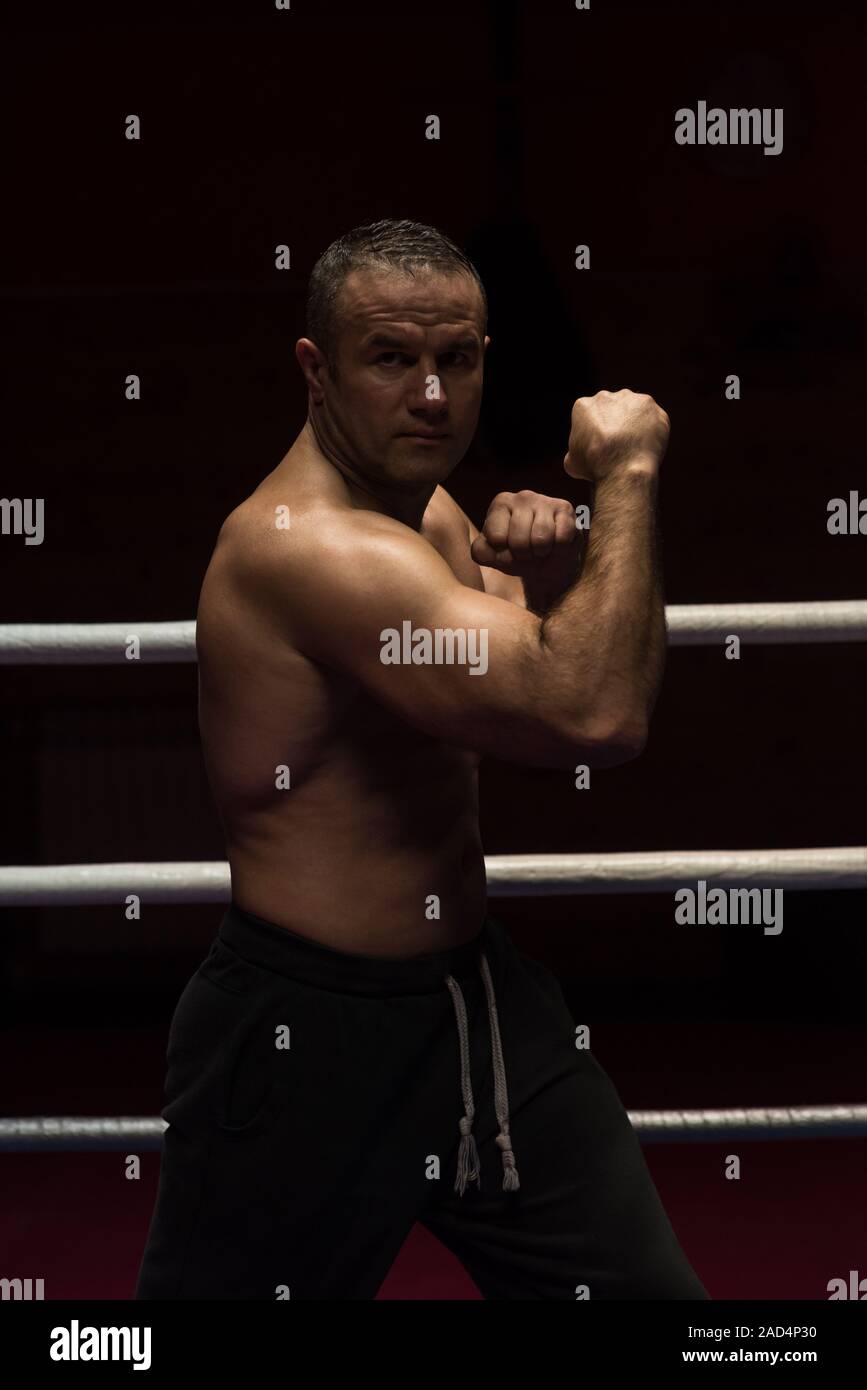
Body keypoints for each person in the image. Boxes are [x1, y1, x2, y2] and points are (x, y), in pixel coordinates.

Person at [135, 218, 708, 1300]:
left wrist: (558, 550)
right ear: (317, 369)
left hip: (478, 1003)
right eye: (394, 360)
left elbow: (540, 650)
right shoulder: (308, 549)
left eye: (460, 359)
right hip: (310, 1032)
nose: (435, 396)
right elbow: (592, 712)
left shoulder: (423, 511)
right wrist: (625, 478)